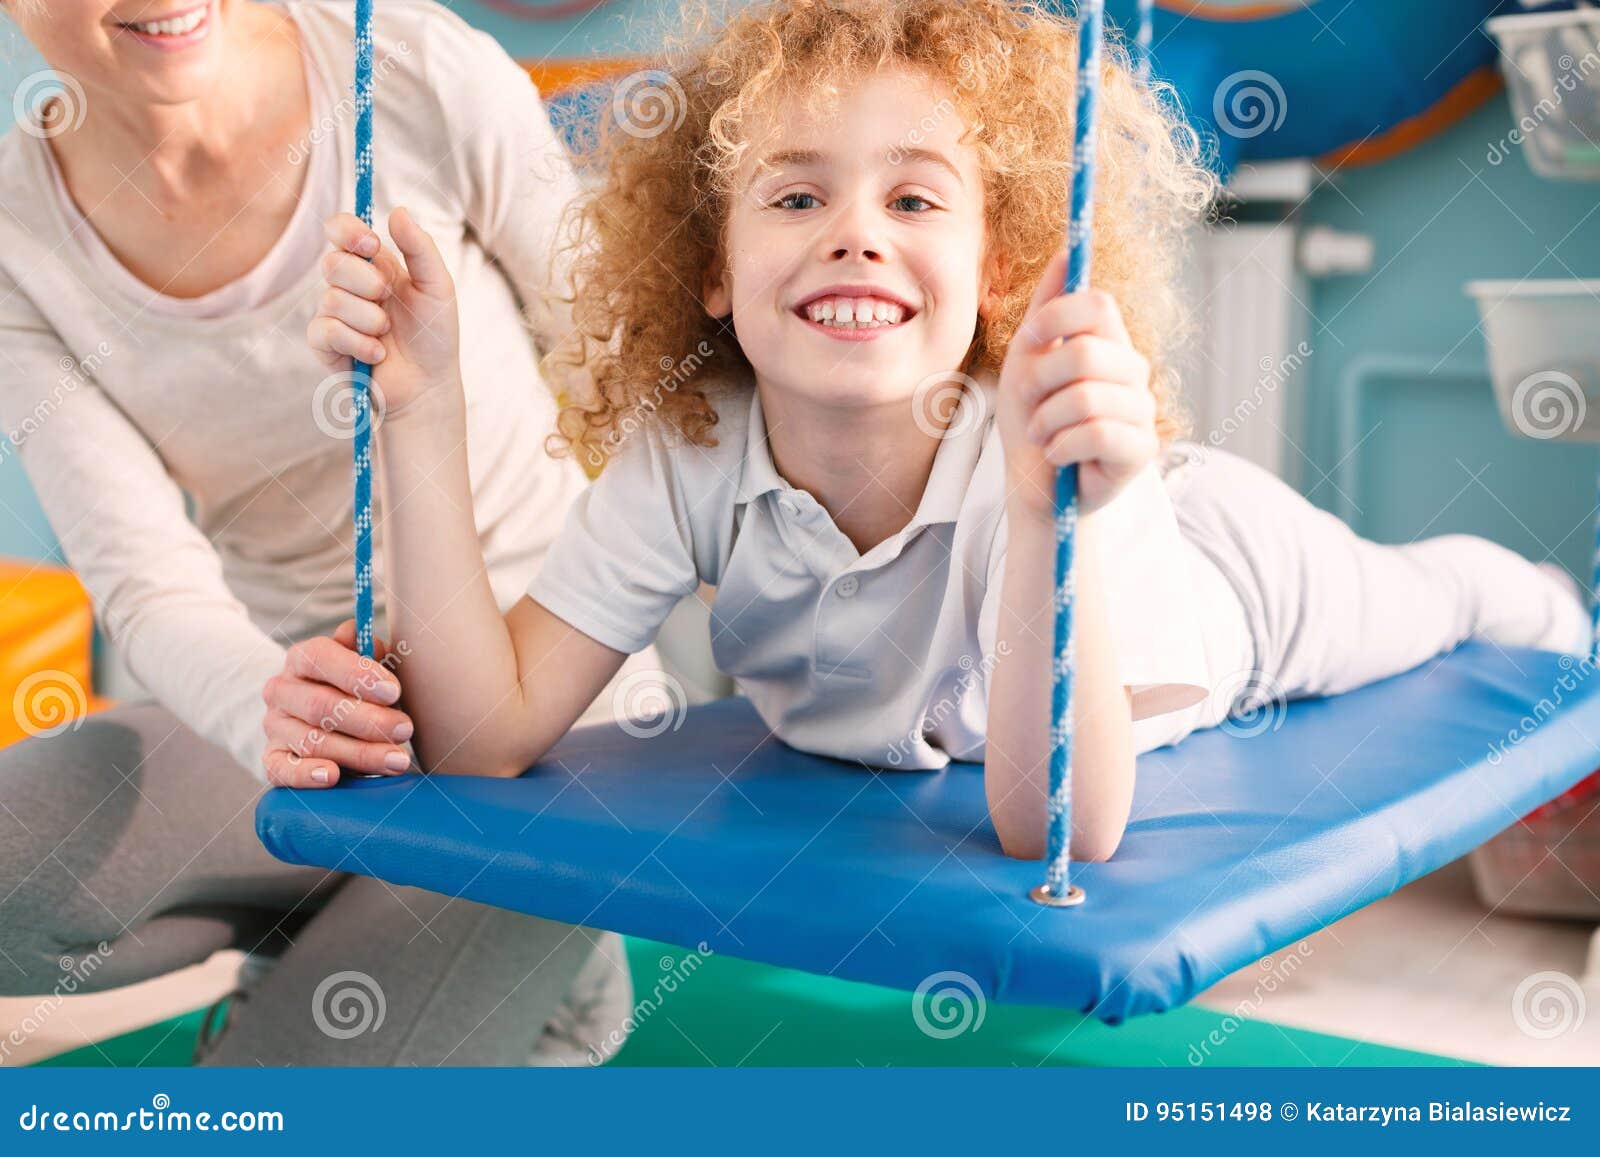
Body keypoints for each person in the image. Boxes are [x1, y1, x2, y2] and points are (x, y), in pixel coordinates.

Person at [281, 0, 1589, 866]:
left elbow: (1057, 825)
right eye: (796, 194)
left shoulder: (1044, 457)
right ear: (715, 266)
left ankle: (1540, 600)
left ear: (998, 268)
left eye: (916, 196)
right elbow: (489, 729)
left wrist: (1037, 508)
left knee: (1435, 598)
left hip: (1228, 582)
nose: (857, 231)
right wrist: (422, 406)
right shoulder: (696, 451)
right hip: (1071, 545)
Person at [0, 0, 641, 1065]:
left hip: (555, 734)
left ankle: (554, 981)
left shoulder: (410, 69)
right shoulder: (17, 242)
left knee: (274, 1098)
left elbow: (629, 371)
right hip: (298, 725)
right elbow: (151, 585)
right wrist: (276, 721)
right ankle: (347, 921)